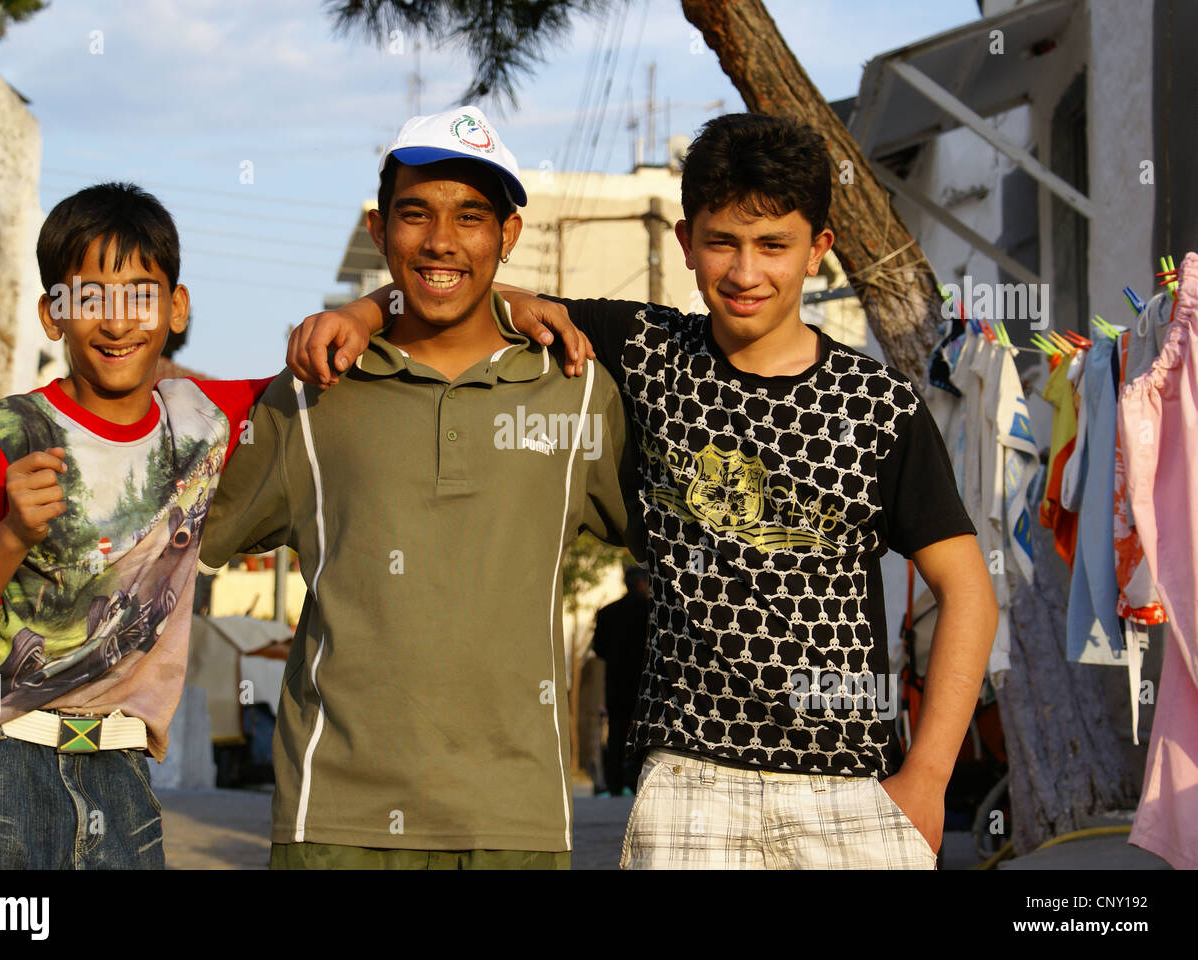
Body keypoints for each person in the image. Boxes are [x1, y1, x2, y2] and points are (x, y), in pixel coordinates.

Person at [287, 112, 998, 870]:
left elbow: (968, 594)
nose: (746, 271)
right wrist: (364, 311)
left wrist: (926, 779)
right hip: (689, 783)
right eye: (722, 242)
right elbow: (463, 294)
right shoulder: (646, 350)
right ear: (687, 243)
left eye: (774, 246)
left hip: (848, 787)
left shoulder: (879, 404)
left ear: (819, 250)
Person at [198, 106, 636, 870]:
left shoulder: (576, 391)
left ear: (509, 236)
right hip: (333, 816)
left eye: (471, 216)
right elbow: (184, 544)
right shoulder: (307, 394)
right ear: (378, 229)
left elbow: (692, 536)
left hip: (518, 822)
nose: (441, 240)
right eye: (415, 214)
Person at [0, 183, 271, 869]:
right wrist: (12, 533)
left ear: (176, 307)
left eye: (140, 293)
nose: (116, 321)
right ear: (54, 315)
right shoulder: (4, 432)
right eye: (88, 297)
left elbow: (333, 366)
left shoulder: (205, 419)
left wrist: (506, 304)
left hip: (122, 769)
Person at [591, 565, 650, 797]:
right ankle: (636, 779)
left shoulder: (608, 612)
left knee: (616, 734)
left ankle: (614, 782)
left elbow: (599, 649)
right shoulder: (650, 610)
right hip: (643, 683)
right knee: (642, 732)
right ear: (642, 583)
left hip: (616, 682)